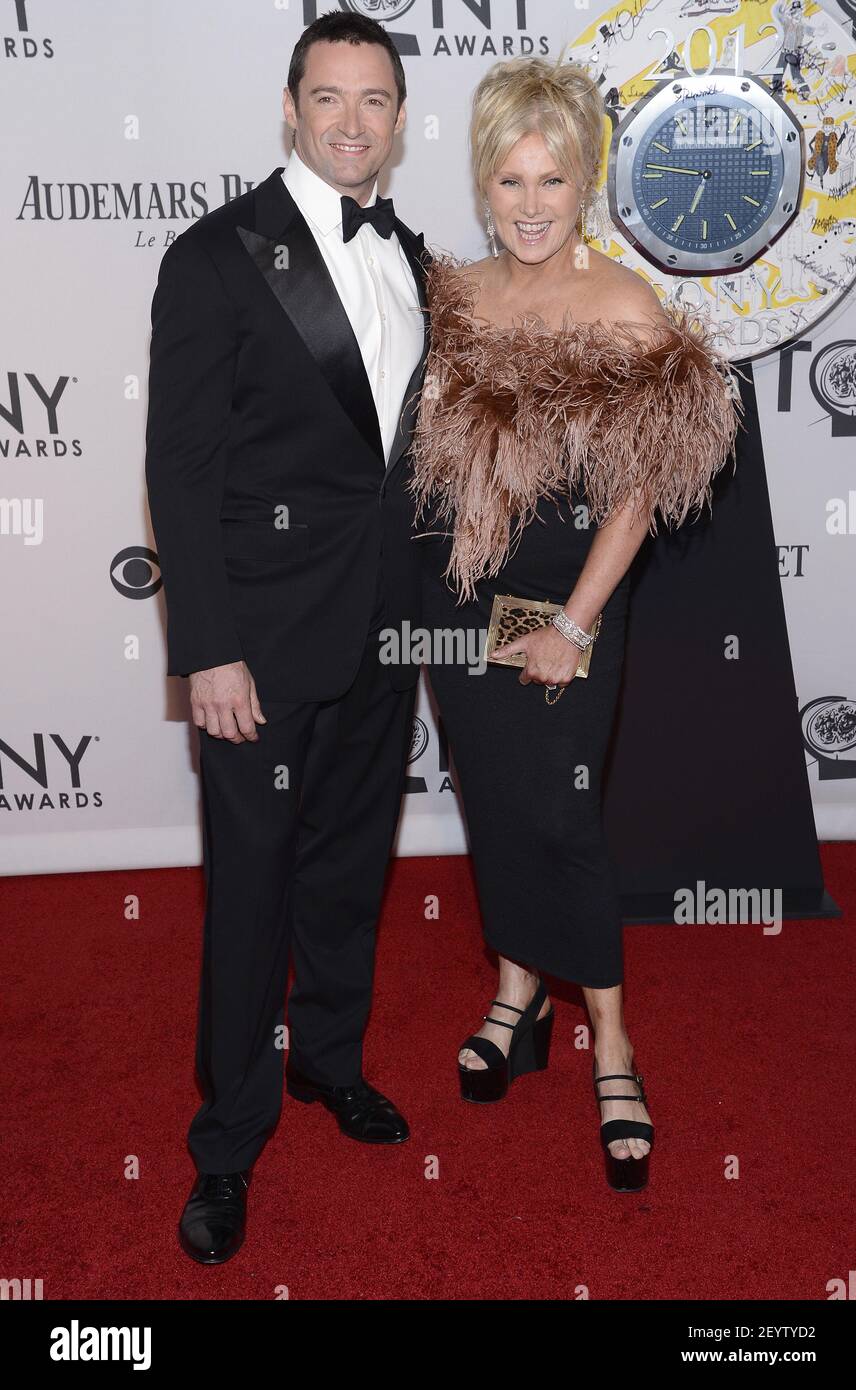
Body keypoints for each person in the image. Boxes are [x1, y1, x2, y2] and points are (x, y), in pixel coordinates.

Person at [410, 56, 744, 1193]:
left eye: (552, 178)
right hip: (462, 601)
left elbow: (643, 489)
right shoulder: (456, 292)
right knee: (496, 804)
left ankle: (612, 1039)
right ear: (481, 181)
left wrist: (574, 623)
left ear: (587, 179)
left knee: (562, 821)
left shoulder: (620, 305)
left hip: (565, 601)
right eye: (509, 179)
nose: (531, 203)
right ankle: (515, 996)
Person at [145, 10, 428, 1263]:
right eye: (330, 98)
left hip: (383, 635)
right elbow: (181, 466)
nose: (352, 122)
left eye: (375, 100)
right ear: (290, 106)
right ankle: (225, 1143)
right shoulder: (214, 257)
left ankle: (327, 1061)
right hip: (257, 646)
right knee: (249, 895)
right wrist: (206, 648)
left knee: (347, 872)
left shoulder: (413, 254)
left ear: (399, 117)